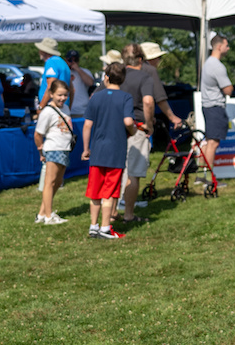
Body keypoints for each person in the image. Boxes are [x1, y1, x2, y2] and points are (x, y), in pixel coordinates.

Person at [117, 41, 185, 220]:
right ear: (144, 58)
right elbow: (154, 99)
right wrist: (157, 122)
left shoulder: (118, 71)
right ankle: (128, 212)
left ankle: (114, 209)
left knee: (119, 168)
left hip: (116, 126)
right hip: (137, 126)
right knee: (134, 171)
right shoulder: (148, 72)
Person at [81, 61, 135, 239]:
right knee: (110, 191)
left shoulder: (95, 97)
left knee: (95, 191)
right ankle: (105, 228)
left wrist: (86, 148)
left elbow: (87, 125)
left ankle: (93, 226)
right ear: (123, 79)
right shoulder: (126, 97)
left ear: (106, 77)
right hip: (116, 151)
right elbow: (128, 121)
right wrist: (134, 131)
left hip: (97, 150)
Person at [33, 80, 73, 225]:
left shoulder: (66, 108)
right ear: (51, 94)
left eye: (65, 95)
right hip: (53, 148)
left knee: (57, 182)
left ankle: (42, 213)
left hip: (65, 148)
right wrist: (41, 150)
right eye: (59, 95)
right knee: (49, 182)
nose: (62, 98)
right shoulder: (47, 112)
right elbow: (38, 134)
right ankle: (49, 216)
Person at [199, 33, 234, 179]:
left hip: (208, 106)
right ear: (219, 47)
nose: (228, 48)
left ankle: (201, 176)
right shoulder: (217, 66)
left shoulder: (208, 63)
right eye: (226, 45)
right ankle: (208, 179)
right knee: (213, 143)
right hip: (215, 107)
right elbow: (228, 89)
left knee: (208, 142)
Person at [36, 39, 72, 112]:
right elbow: (72, 89)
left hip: (52, 107)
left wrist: (41, 107)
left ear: (44, 51)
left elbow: (50, 86)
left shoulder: (51, 62)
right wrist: (68, 108)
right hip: (62, 107)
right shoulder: (63, 63)